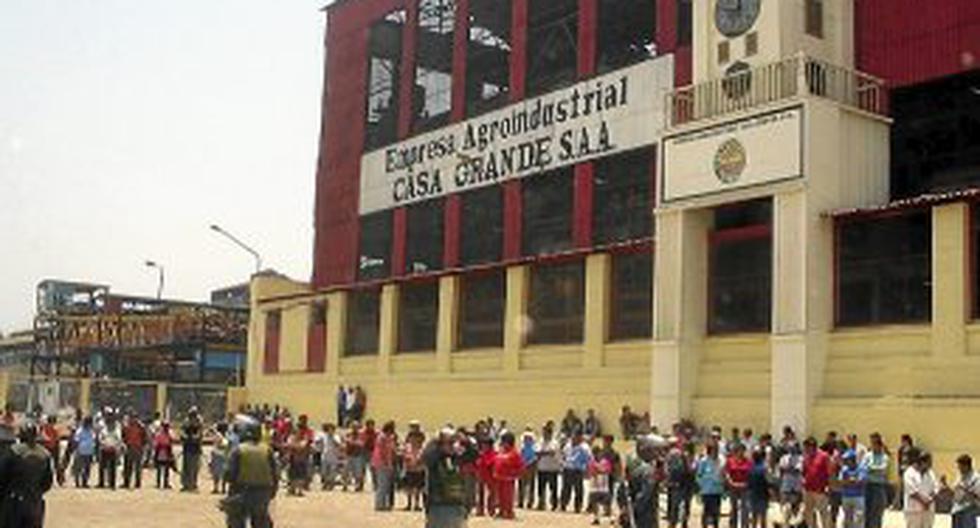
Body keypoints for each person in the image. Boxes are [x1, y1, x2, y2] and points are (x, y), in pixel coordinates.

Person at [224, 421, 278, 528]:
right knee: (261, 522)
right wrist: (273, 491)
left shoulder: (238, 450)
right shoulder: (267, 450)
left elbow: (229, 473)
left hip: (241, 491)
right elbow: (275, 473)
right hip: (263, 492)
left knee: (236, 520)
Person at [2, 424, 54, 528]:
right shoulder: (45, 454)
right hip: (35, 503)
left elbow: (2, 476)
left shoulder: (13, 452)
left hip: (14, 503)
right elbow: (47, 483)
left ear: (21, 436)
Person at [424, 428, 469, 528]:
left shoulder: (457, 457)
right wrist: (436, 441)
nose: (451, 445)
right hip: (438, 506)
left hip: (457, 506)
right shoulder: (435, 457)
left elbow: (473, 454)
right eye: (449, 442)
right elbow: (426, 457)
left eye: (453, 442)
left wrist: (465, 440)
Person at [802, 437, 834, 528]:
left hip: (821, 490)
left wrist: (829, 486)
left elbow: (830, 473)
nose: (805, 449)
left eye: (807, 447)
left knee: (824, 513)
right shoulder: (807, 457)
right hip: (808, 490)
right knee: (809, 512)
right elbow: (804, 472)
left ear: (812, 446)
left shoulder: (824, 456)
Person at [493, 431, 523, 520]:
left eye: (504, 441)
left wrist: (515, 474)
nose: (502, 443)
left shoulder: (514, 453)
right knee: (500, 495)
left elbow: (520, 466)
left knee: (508, 496)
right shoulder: (501, 451)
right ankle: (501, 511)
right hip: (499, 477)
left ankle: (509, 512)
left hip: (508, 479)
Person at [904, 450, 938, 528]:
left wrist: (930, 500)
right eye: (929, 463)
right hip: (913, 510)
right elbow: (912, 491)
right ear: (922, 462)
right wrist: (924, 501)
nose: (931, 465)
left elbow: (935, 488)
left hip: (928, 510)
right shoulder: (909, 473)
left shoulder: (930, 473)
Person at [945, 454, 980, 528]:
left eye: (960, 467)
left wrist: (964, 489)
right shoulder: (960, 476)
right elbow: (955, 490)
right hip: (957, 509)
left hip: (969, 511)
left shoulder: (976, 478)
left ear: (966, 466)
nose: (959, 469)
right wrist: (947, 487)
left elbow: (976, 496)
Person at [696, 442, 726, 528]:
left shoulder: (721, 460)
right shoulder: (704, 461)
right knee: (706, 511)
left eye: (717, 449)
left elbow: (723, 474)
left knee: (716, 512)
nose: (716, 452)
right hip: (707, 491)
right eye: (714, 450)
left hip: (717, 490)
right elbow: (698, 476)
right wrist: (703, 484)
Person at [864, 433, 891, 528]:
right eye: (872, 443)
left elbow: (883, 470)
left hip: (879, 487)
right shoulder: (868, 455)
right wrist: (874, 469)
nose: (873, 445)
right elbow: (864, 468)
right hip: (867, 486)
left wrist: (871, 469)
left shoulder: (885, 457)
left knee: (877, 512)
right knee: (867, 512)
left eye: (874, 443)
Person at [561, 431, 591, 513]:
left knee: (578, 489)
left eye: (577, 437)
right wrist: (563, 464)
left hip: (578, 470)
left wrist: (587, 470)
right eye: (573, 437)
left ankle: (578, 506)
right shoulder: (568, 445)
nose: (574, 438)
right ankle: (563, 504)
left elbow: (588, 459)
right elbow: (563, 455)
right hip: (567, 469)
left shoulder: (584, 447)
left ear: (580, 438)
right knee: (566, 488)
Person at [370, 421, 397, 511]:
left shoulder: (388, 437)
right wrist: (386, 462)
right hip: (381, 463)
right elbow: (382, 451)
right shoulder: (382, 437)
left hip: (386, 463)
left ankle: (383, 503)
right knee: (382, 485)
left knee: (385, 485)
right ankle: (379, 504)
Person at [725, 442, 752, 528]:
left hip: (744, 487)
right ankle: (733, 525)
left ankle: (745, 525)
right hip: (733, 486)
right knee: (734, 507)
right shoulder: (730, 460)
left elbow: (751, 473)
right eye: (740, 450)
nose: (742, 452)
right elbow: (727, 473)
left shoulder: (748, 461)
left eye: (743, 450)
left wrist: (747, 483)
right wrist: (731, 482)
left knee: (745, 508)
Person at [535, 425, 562, 511]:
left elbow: (552, 452)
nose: (544, 434)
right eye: (543, 432)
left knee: (553, 488)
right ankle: (541, 503)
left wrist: (542, 453)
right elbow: (537, 452)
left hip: (552, 468)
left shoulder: (554, 442)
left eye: (545, 432)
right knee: (541, 488)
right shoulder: (540, 441)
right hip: (542, 468)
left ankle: (554, 504)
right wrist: (545, 453)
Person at [839, 450, 868, 528]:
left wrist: (849, 481)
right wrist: (852, 481)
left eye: (847, 460)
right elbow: (841, 482)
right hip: (846, 496)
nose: (846, 462)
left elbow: (861, 482)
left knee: (858, 519)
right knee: (847, 520)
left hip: (858, 497)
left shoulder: (861, 468)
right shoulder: (844, 469)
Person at [779, 442, 805, 528]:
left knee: (795, 505)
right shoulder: (784, 458)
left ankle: (795, 523)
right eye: (790, 447)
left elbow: (798, 470)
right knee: (785, 506)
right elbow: (782, 469)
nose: (791, 449)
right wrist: (789, 470)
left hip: (796, 485)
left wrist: (789, 469)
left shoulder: (801, 458)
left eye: (793, 447)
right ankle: (786, 523)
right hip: (786, 485)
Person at [402, 426, 427, 511]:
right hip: (410, 469)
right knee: (409, 487)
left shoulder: (422, 448)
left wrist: (419, 462)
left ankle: (416, 504)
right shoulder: (408, 447)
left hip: (419, 469)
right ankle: (409, 504)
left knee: (418, 488)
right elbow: (404, 456)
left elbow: (424, 457)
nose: (414, 439)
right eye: (413, 437)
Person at [588, 446, 614, 525]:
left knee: (607, 504)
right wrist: (599, 469)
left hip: (604, 486)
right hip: (594, 486)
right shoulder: (591, 462)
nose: (596, 455)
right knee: (594, 503)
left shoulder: (605, 461)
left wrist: (598, 469)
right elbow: (592, 472)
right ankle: (596, 518)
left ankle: (611, 518)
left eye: (598, 453)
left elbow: (607, 471)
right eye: (594, 453)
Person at [97, 410, 123, 490]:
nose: (110, 419)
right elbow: (100, 437)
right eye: (109, 417)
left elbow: (119, 439)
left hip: (113, 449)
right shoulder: (103, 427)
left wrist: (115, 446)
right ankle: (101, 483)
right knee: (102, 467)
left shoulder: (117, 427)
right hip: (104, 449)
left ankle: (112, 483)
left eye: (111, 417)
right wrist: (103, 443)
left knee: (113, 467)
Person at [121, 412, 147, 489]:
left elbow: (145, 438)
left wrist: (142, 447)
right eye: (132, 417)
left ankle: (137, 483)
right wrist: (125, 445)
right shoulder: (126, 426)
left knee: (138, 467)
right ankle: (127, 483)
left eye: (134, 417)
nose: (133, 419)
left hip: (138, 448)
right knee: (128, 467)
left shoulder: (141, 427)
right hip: (129, 447)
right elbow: (123, 437)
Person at [180, 408, 204, 492]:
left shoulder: (199, 421)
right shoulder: (186, 422)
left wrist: (196, 438)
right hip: (187, 447)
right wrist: (185, 437)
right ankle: (185, 484)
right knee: (186, 467)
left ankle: (193, 484)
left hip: (196, 448)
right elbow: (182, 432)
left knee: (194, 467)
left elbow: (200, 434)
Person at [746, 449, 770, 528]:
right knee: (763, 517)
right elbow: (768, 481)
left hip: (753, 495)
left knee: (754, 517)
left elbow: (748, 483)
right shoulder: (764, 469)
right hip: (763, 495)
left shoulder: (750, 469)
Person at [317, 423, 343, 491]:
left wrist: (332, 438)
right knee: (324, 471)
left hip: (333, 456)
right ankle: (325, 483)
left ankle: (331, 485)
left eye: (331, 429)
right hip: (325, 455)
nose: (330, 431)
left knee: (332, 471)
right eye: (329, 429)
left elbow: (339, 444)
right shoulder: (323, 436)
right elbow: (318, 442)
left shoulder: (336, 436)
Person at [72, 416, 96, 488]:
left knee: (87, 468)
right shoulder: (80, 431)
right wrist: (76, 450)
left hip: (89, 452)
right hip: (81, 452)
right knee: (78, 468)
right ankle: (77, 482)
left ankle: (84, 482)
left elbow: (94, 440)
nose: (89, 424)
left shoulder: (92, 431)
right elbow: (76, 441)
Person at [38, 416, 62, 487]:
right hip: (47, 447)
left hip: (53, 447)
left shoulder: (54, 429)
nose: (51, 424)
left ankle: (59, 480)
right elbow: (42, 436)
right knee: (46, 465)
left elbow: (57, 439)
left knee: (56, 465)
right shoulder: (44, 428)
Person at [517, 429, 537, 509]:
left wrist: (528, 463)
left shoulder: (534, 447)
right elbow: (519, 456)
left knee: (531, 485)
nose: (527, 439)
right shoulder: (522, 447)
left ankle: (530, 502)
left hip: (530, 467)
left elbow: (535, 458)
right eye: (525, 438)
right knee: (521, 485)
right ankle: (520, 501)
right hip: (522, 467)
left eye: (528, 438)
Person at [209, 422, 231, 495]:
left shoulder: (226, 435)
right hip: (218, 454)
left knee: (222, 472)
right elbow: (220, 444)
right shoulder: (219, 435)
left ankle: (222, 488)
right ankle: (217, 487)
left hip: (222, 455)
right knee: (217, 472)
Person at [153, 422, 176, 489]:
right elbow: (156, 443)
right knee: (161, 469)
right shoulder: (160, 434)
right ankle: (160, 483)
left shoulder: (167, 433)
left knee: (165, 469)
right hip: (162, 451)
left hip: (166, 451)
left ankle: (164, 483)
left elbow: (172, 440)